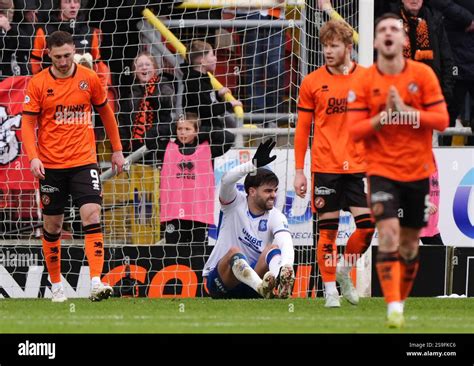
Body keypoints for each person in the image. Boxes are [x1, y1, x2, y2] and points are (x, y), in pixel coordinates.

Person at [347, 13, 449, 327]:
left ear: (404, 40)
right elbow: (353, 130)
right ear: (376, 41)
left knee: (409, 245)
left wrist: (407, 112)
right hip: (380, 170)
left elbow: (442, 122)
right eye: (383, 30)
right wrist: (382, 118)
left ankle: (399, 299)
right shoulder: (364, 80)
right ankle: (394, 307)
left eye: (395, 29)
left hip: (417, 171)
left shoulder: (424, 75)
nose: (389, 33)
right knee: (388, 235)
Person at [21, 30, 125, 302]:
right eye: (58, 57)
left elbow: (106, 113)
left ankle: (95, 281)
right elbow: (28, 124)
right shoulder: (38, 83)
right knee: (53, 226)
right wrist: (33, 157)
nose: (64, 61)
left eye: (68, 55)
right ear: (49, 56)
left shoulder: (89, 78)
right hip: (51, 165)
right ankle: (56, 286)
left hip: (84, 161)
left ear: (73, 52)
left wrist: (117, 150)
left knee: (92, 214)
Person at [294, 20, 375, 308]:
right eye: (325, 46)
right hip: (325, 167)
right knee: (327, 231)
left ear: (348, 47)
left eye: (334, 46)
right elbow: (303, 129)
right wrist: (299, 171)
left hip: (356, 167)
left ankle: (343, 269)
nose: (328, 51)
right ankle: (330, 289)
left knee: (367, 227)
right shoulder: (312, 82)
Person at [203, 139, 295, 299]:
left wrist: (286, 267)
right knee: (233, 252)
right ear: (252, 191)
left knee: (273, 249)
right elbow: (226, 180)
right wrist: (252, 165)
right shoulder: (233, 203)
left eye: (275, 190)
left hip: (252, 284)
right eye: (267, 191)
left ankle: (275, 282)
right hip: (221, 283)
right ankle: (262, 287)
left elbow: (286, 242)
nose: (273, 195)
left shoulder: (276, 216)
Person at [159, 113, 234, 245]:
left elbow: (229, 137)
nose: (183, 133)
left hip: (199, 213)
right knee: (173, 255)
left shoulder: (207, 148)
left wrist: (200, 130)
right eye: (179, 129)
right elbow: (149, 138)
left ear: (196, 131)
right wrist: (173, 126)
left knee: (198, 254)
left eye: (187, 129)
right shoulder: (167, 148)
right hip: (174, 213)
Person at [118, 51, 174, 165]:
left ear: (155, 68)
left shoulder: (163, 84)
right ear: (135, 71)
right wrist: (123, 145)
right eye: (140, 65)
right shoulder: (131, 92)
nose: (144, 68)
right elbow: (123, 120)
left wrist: (149, 95)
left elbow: (167, 101)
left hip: (158, 145)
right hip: (135, 146)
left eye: (148, 64)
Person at [183, 40, 242, 132]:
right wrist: (230, 104)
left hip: (209, 126)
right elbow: (208, 109)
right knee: (228, 138)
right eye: (212, 55)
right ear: (202, 61)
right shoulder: (193, 81)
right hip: (200, 129)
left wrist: (218, 94)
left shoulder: (203, 77)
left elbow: (207, 99)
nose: (215, 58)